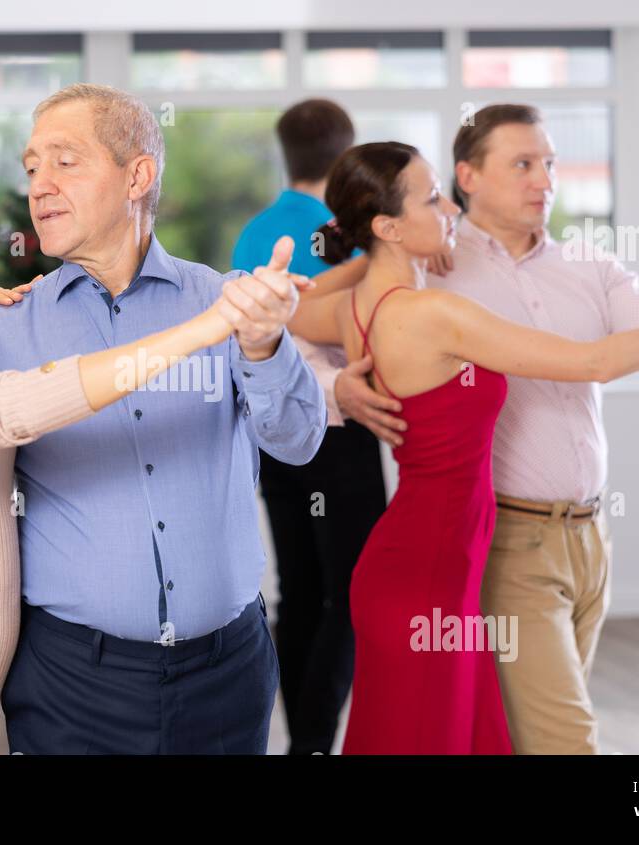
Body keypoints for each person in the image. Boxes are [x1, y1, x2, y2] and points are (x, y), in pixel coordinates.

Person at [0, 85, 328, 754]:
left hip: (226, 676)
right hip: (71, 688)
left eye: (64, 161)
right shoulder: (2, 332)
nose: (40, 186)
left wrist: (263, 345)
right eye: (31, 167)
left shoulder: (226, 303)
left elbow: (299, 439)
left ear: (136, 175)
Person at [289, 140, 639, 753]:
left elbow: (295, 309)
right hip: (428, 578)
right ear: (389, 225)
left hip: (423, 568)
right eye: (431, 198)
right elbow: (594, 361)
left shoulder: (358, 307)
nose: (450, 208)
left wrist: (375, 255)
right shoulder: (434, 314)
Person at [231, 99, 386, 754]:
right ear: (347, 155)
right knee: (352, 597)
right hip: (340, 428)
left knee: (298, 593)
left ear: (286, 152)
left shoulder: (252, 233)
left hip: (273, 435)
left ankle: (302, 743)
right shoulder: (347, 234)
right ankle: (316, 742)